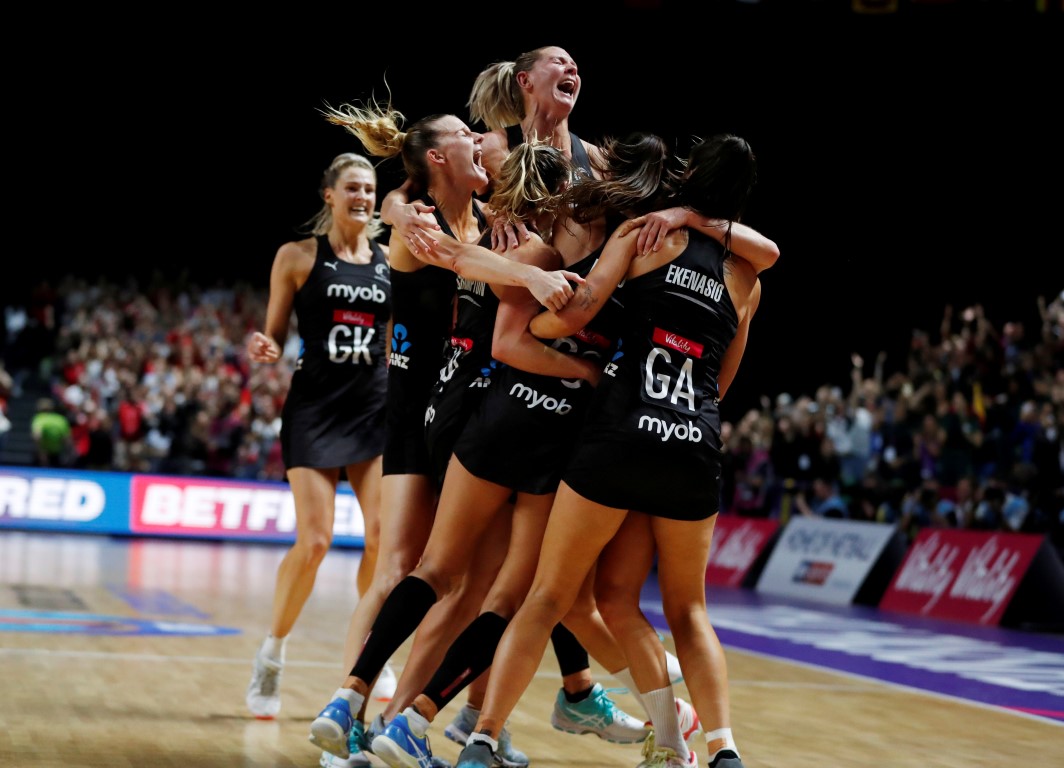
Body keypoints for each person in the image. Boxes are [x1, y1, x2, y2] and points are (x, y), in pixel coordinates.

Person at [454, 133, 772, 768]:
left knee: (550, 597)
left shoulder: (646, 236)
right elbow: (723, 380)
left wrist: (532, 327)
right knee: (688, 608)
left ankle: (484, 737)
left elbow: (583, 311)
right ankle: (721, 747)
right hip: (691, 444)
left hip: (621, 434)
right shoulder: (747, 278)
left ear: (687, 179)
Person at [314, 100, 582, 768]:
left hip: (456, 409)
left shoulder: (484, 219)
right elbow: (464, 260)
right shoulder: (418, 219)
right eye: (465, 135)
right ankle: (353, 711)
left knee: (453, 579)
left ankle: (403, 719)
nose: (479, 139)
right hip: (412, 413)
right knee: (403, 569)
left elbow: (493, 225)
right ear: (437, 158)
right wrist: (533, 275)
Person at [244, 152, 393, 722]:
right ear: (329, 195)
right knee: (315, 542)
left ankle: (368, 654)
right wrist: (267, 346)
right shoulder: (299, 257)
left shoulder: (390, 260)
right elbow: (276, 332)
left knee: (382, 540)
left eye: (369, 188)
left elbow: (394, 339)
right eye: (352, 187)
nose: (362, 196)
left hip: (372, 407)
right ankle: (272, 653)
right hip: (314, 408)